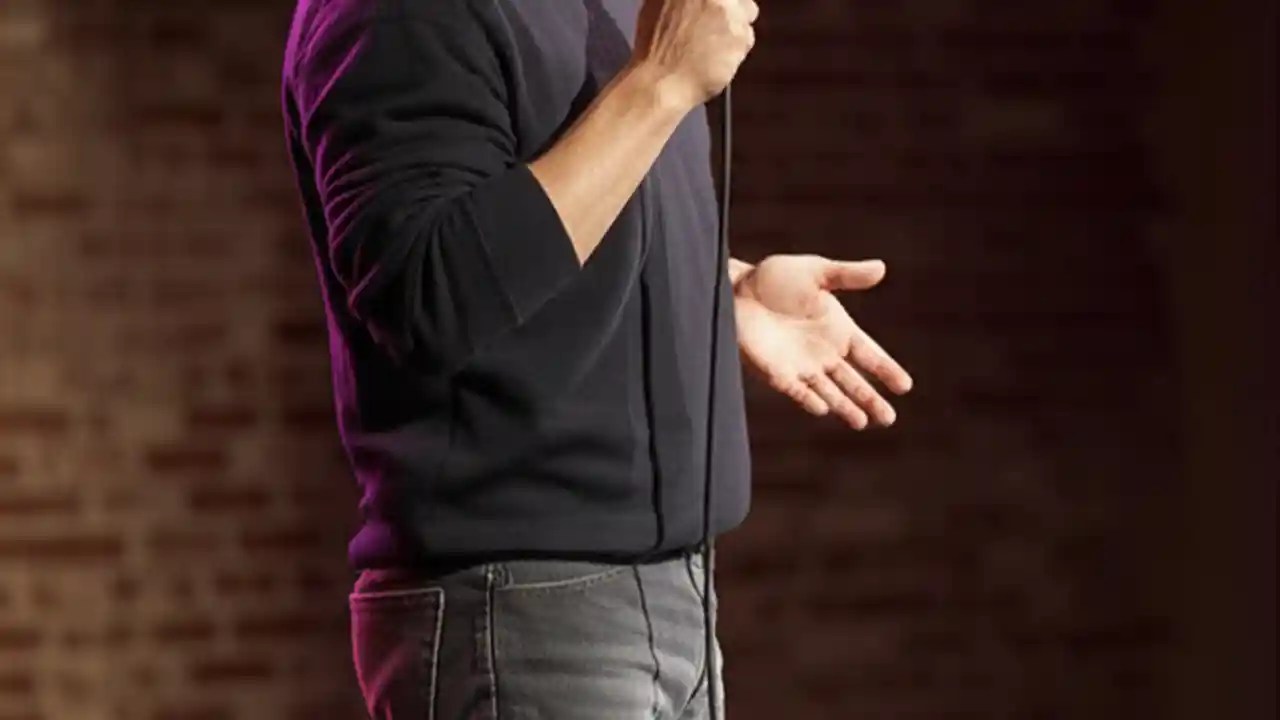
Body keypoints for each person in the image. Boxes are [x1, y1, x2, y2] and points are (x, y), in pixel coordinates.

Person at [280, 0, 912, 717]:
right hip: (522, 615)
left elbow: (562, 223)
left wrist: (722, 290)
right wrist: (659, 84)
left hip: (672, 600)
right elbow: (429, 294)